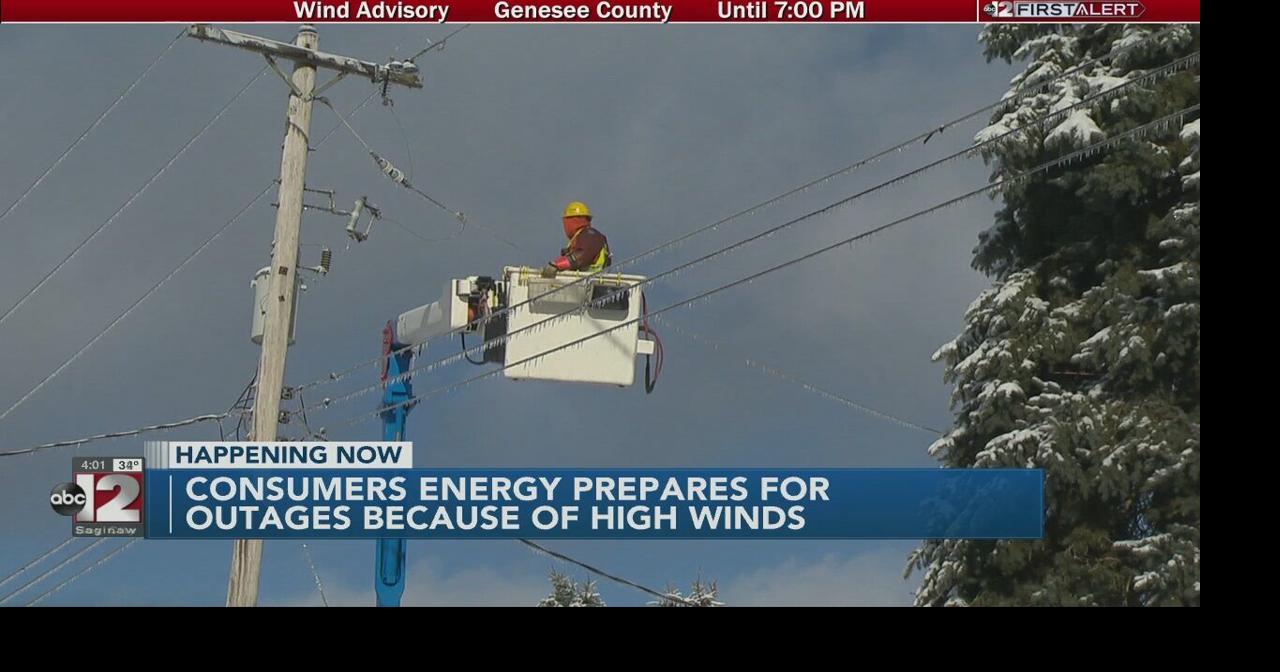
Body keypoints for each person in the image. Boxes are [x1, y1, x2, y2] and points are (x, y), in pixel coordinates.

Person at [541, 201, 611, 278]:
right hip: (585, 283)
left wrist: (556, 265)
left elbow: (581, 256)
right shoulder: (582, 237)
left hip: (590, 285)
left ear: (573, 220)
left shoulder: (590, 235)